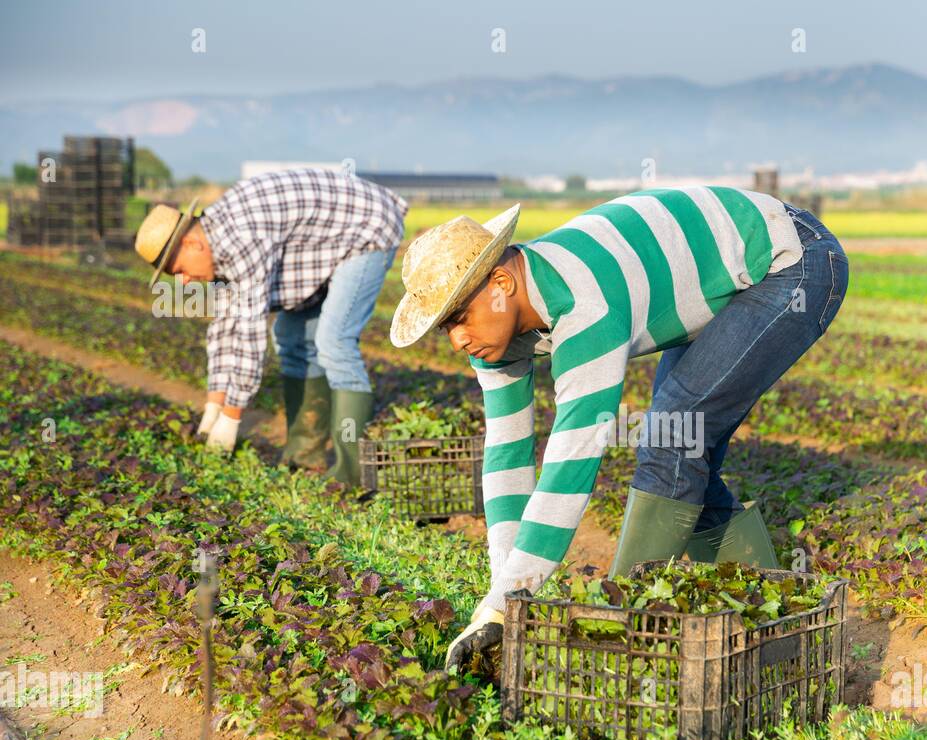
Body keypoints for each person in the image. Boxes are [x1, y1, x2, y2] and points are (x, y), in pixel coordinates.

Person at [388, 187, 849, 671]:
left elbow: (572, 460)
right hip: (723, 276)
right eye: (446, 327)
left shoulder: (586, 302)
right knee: (685, 448)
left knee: (672, 435)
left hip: (791, 261)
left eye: (460, 318)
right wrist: (500, 597)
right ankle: (772, 627)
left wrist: (505, 605)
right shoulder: (494, 336)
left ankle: (621, 635)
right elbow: (507, 451)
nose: (458, 339)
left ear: (501, 282)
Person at [132, 168, 408, 484]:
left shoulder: (240, 238)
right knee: (290, 337)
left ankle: (351, 473)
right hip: (322, 245)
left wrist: (231, 419)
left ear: (193, 243)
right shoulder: (216, 245)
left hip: (368, 229)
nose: (182, 281)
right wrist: (213, 407)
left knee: (334, 342)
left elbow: (249, 334)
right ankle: (303, 456)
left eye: (178, 270)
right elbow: (224, 327)